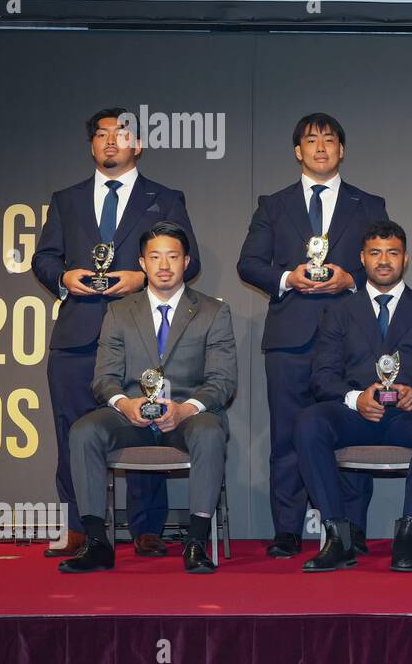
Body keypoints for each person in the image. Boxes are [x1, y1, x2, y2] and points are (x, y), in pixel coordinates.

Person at [33, 108, 202, 559]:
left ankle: (147, 527)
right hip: (76, 335)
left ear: (138, 144)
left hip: (139, 334)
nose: (111, 141)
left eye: (121, 133)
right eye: (102, 134)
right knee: (71, 429)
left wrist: (142, 279)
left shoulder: (165, 198)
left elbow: (192, 261)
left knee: (144, 420)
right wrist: (64, 277)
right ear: (91, 145)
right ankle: (78, 526)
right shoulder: (66, 199)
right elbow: (44, 259)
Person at [237, 113, 388, 558]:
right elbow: (249, 263)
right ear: (297, 152)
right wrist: (288, 278)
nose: (320, 147)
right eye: (310, 140)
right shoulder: (273, 204)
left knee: (354, 430)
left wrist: (351, 279)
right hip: (290, 338)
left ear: (341, 150)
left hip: (351, 338)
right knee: (286, 435)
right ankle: (287, 529)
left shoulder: (369, 205)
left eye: (328, 140)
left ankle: (352, 528)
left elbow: (383, 264)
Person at [58, 222, 236, 574]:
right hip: (131, 416)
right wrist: (125, 404)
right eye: (155, 257)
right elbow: (104, 379)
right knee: (83, 431)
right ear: (142, 263)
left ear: (186, 262)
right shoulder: (120, 312)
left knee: (210, 431)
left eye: (173, 256)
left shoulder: (213, 312)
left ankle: (196, 543)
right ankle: (97, 543)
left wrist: (185, 409)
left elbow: (222, 381)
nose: (164, 265)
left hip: (188, 416)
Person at [295, 220, 412, 573]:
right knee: (310, 422)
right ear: (362, 259)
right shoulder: (338, 311)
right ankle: (338, 537)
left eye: (392, 252)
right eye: (375, 253)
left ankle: (406, 537)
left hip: (406, 416)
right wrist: (355, 398)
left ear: (405, 258)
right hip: (356, 415)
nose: (384, 260)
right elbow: (322, 376)